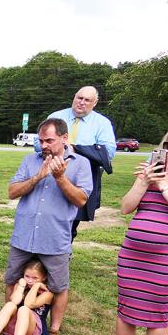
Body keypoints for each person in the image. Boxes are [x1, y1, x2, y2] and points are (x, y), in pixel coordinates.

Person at [104, 124, 168, 335]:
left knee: (157, 313)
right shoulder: (152, 171)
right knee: (126, 308)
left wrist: (161, 185)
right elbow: (126, 207)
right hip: (132, 254)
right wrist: (143, 182)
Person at [4, 118, 92, 335]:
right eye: (40, 140)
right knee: (12, 279)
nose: (43, 145)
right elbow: (12, 191)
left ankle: (53, 332)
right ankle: (11, 322)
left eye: (49, 140)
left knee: (59, 286)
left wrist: (60, 178)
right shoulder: (29, 160)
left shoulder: (81, 164)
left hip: (55, 238)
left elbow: (81, 199)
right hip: (24, 235)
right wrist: (37, 177)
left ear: (64, 139)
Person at [40, 86, 117, 240]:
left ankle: (61, 255)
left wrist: (75, 148)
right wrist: (58, 147)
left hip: (81, 176)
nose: (81, 102)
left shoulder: (102, 123)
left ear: (94, 103)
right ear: (74, 97)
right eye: (79, 98)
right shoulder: (56, 116)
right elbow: (39, 144)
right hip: (51, 174)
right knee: (44, 215)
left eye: (87, 100)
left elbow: (108, 152)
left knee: (70, 222)